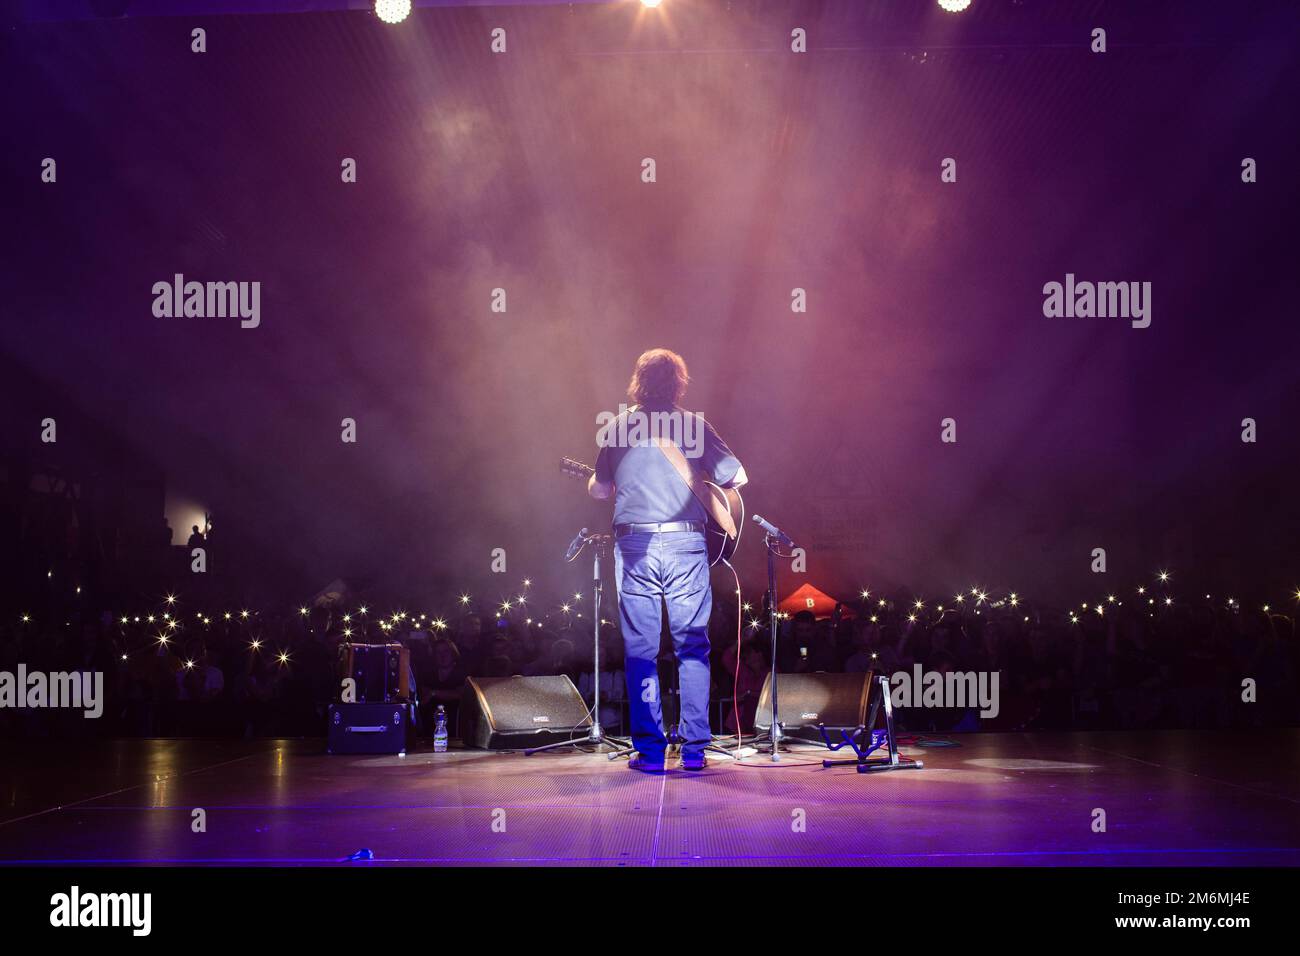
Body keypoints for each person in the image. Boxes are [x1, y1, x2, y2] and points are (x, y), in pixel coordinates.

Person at [588, 348, 746, 772]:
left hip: (635, 548)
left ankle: (652, 753)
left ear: (637, 382)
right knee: (693, 646)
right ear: (679, 383)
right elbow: (736, 475)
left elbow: (600, 491)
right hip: (685, 545)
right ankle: (694, 752)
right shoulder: (694, 426)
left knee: (641, 650)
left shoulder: (619, 426)